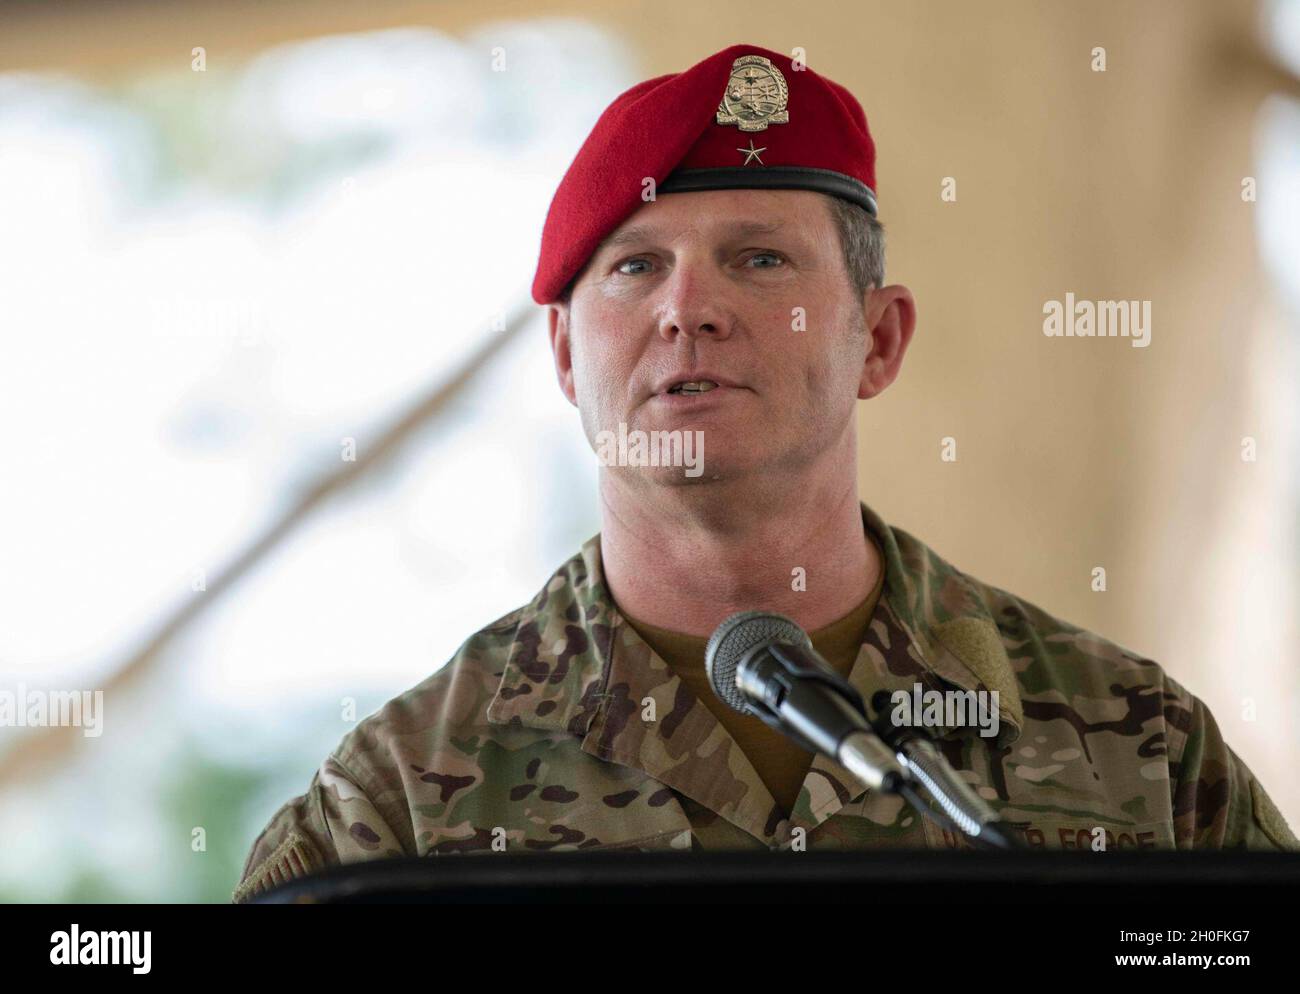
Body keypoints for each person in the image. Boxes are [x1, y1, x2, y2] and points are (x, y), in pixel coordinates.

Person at [232, 43, 1294, 903]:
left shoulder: (1139, 751)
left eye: (759, 259)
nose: (686, 308)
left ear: (877, 341)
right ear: (563, 355)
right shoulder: (397, 810)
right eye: (636, 266)